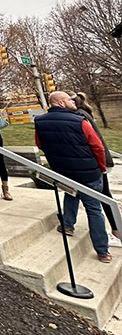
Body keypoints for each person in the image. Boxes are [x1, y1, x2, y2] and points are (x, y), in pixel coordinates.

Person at [34, 92, 112, 263]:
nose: (73, 101)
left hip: (62, 170)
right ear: (61, 102)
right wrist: (101, 167)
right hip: (88, 171)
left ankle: (68, 225)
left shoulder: (39, 122)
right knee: (94, 208)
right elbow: (97, 146)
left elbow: (40, 144)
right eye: (69, 99)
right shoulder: (80, 121)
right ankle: (102, 250)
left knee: (71, 193)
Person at [71, 91, 120, 249]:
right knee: (100, 194)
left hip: (98, 162)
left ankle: (115, 229)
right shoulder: (84, 112)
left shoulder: (80, 117)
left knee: (103, 196)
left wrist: (100, 165)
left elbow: (94, 143)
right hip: (99, 161)